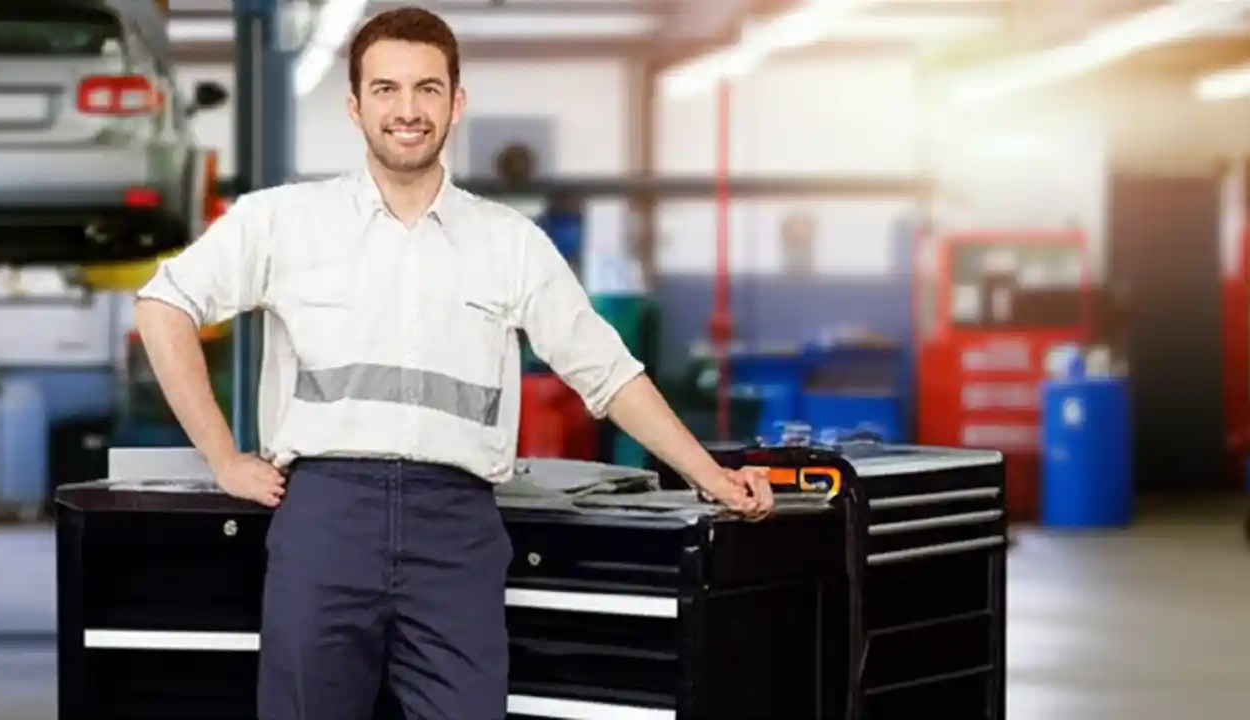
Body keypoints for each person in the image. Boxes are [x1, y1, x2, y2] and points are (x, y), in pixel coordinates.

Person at [133, 6, 773, 720]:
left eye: (427, 89)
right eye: (385, 89)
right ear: (354, 105)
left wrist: (706, 472)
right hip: (324, 516)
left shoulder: (508, 242)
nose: (407, 110)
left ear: (456, 102)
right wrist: (221, 457)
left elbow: (607, 371)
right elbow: (163, 306)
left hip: (457, 526)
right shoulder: (284, 221)